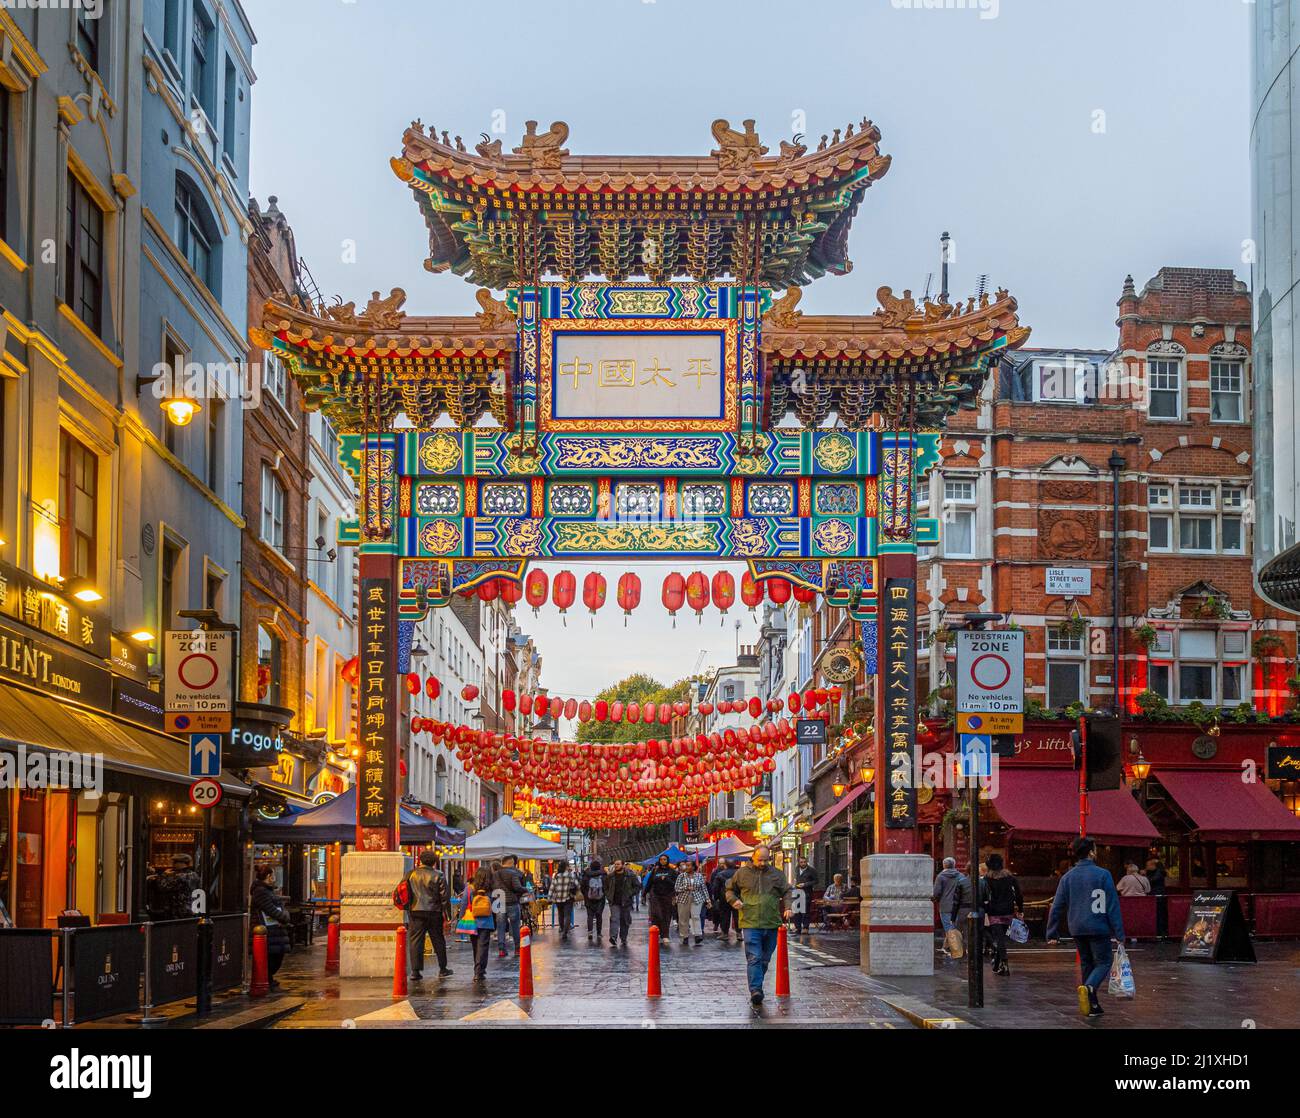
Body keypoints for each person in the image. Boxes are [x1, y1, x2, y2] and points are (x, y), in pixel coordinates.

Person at [1046, 836, 1125, 1018]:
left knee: (1086, 963)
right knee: (1104, 962)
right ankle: (1089, 988)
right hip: (1099, 925)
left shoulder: (1067, 877)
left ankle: (1092, 1004)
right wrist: (1119, 932)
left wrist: (1052, 931)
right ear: (1091, 852)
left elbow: (1057, 906)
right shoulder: (1103, 874)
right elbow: (1112, 905)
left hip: (1077, 927)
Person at [726, 846, 793, 1007]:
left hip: (771, 922)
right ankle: (756, 990)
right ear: (753, 857)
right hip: (750, 921)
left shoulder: (777, 874)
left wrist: (789, 906)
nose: (763, 863)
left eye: (766, 860)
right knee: (754, 957)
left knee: (764, 959)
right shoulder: (741, 874)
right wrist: (733, 900)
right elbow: (729, 890)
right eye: (760, 860)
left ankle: (757, 985)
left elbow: (787, 891)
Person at [405, 850, 452, 980]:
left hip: (415, 910)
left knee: (415, 940)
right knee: (438, 939)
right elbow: (445, 897)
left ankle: (415, 971)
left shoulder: (411, 874)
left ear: (420, 860)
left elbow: (404, 891)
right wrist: (447, 916)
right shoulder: (439, 875)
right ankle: (442, 968)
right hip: (434, 911)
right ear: (434, 862)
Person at [981, 853, 1023, 977]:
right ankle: (997, 964)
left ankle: (1004, 964)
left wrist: (985, 908)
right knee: (1001, 938)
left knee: (999, 938)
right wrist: (1020, 909)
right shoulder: (1010, 878)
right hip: (1008, 911)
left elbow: (982, 896)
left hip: (994, 912)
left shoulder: (986, 880)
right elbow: (1019, 894)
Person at [249, 864, 291, 985]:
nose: (274, 877)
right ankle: (265, 978)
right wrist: (284, 916)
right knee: (272, 956)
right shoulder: (260, 891)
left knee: (276, 956)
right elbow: (271, 910)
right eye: (273, 874)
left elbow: (280, 907)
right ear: (269, 876)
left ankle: (268, 978)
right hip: (266, 930)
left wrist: (284, 914)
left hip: (274, 930)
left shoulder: (268, 890)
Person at [492, 854, 528, 958]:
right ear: (511, 862)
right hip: (512, 902)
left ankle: (501, 949)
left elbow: (492, 887)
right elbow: (517, 887)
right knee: (515, 926)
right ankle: (517, 948)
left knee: (500, 926)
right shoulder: (513, 873)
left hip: (498, 902)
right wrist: (525, 889)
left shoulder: (495, 874)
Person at [468, 869, 495, 984]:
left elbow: (465, 903)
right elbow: (496, 906)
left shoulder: (470, 888)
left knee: (475, 946)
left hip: (472, 921)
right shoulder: (492, 890)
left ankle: (477, 969)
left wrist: (461, 918)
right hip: (486, 922)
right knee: (483, 946)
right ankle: (479, 971)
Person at [604, 859, 639, 946]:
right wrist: (608, 896)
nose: (616, 866)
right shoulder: (610, 876)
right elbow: (605, 887)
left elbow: (637, 886)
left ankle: (623, 938)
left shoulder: (630, 875)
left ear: (623, 865)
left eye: (618, 864)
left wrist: (630, 894)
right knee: (614, 919)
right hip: (614, 902)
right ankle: (613, 937)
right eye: (615, 864)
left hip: (626, 902)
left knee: (625, 920)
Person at [644, 855, 679, 940]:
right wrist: (644, 893)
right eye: (661, 859)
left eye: (664, 859)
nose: (663, 861)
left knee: (666, 915)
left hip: (668, 895)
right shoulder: (655, 870)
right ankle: (658, 929)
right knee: (657, 913)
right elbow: (650, 882)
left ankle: (665, 935)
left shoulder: (672, 871)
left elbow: (676, 884)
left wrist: (666, 879)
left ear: (667, 860)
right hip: (656, 895)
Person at [674, 861, 708, 945]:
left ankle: (698, 935)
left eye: (688, 865)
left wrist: (708, 900)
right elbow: (676, 888)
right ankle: (684, 936)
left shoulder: (699, 876)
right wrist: (686, 887)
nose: (686, 867)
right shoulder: (681, 876)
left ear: (693, 867)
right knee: (683, 918)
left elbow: (704, 888)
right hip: (683, 899)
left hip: (697, 898)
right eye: (686, 865)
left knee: (695, 916)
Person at [932, 857, 964, 935]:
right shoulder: (961, 876)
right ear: (954, 865)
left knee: (949, 929)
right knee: (956, 929)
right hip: (958, 905)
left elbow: (936, 892)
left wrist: (935, 899)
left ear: (944, 865)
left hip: (945, 905)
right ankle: (950, 946)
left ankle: (952, 946)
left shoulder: (940, 876)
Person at [711, 860, 741, 941]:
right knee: (737, 915)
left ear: (725, 865)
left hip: (724, 897)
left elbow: (716, 888)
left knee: (725, 916)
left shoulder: (720, 874)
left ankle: (725, 933)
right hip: (737, 897)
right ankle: (739, 933)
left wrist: (716, 898)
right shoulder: (739, 873)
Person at [549, 861, 579, 939]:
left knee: (560, 914)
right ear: (566, 867)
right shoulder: (570, 875)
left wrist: (549, 897)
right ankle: (565, 931)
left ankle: (562, 928)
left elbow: (552, 887)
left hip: (558, 898)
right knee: (567, 915)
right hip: (568, 898)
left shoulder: (556, 876)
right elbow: (577, 884)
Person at [168, 854, 202, 919]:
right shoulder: (194, 875)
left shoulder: (180, 876)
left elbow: (163, 887)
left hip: (180, 911)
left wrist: (164, 875)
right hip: (193, 908)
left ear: (182, 863)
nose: (173, 865)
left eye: (175, 862)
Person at [792, 857, 818, 936]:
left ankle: (805, 928)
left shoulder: (812, 870)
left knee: (805, 911)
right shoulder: (796, 869)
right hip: (797, 891)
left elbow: (816, 881)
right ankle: (798, 928)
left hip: (806, 892)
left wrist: (805, 884)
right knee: (797, 911)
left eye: (804, 862)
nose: (803, 864)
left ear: (806, 862)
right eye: (801, 862)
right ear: (798, 863)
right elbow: (795, 878)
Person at [1145, 856, 1168, 939]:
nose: (1146, 867)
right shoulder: (1156, 872)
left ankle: (1160, 932)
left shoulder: (1158, 873)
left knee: (1159, 914)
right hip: (1156, 895)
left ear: (1153, 865)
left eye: (1148, 866)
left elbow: (1152, 881)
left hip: (1158, 896)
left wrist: (1145, 876)